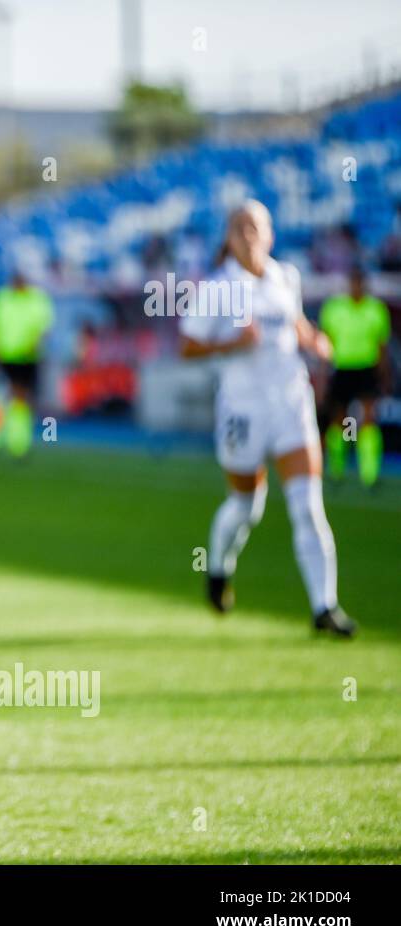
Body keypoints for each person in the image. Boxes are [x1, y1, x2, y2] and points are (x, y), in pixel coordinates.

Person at [179, 200, 356, 636]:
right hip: (243, 411)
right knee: (245, 507)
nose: (249, 234)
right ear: (228, 237)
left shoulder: (285, 277)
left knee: (308, 508)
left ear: (270, 234)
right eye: (240, 227)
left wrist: (315, 341)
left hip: (291, 405)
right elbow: (188, 346)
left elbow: (294, 323)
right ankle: (218, 567)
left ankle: (324, 607)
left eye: (256, 226)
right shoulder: (218, 288)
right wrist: (231, 345)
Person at [319, 265, 391, 488]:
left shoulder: (376, 310)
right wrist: (323, 373)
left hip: (366, 370)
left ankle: (369, 474)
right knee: (341, 421)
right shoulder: (334, 309)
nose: (356, 287)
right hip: (342, 369)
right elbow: (325, 343)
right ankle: (337, 470)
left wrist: (384, 374)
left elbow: (381, 346)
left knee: (368, 419)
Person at [0, 270, 54, 457]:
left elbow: (43, 329)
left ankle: (16, 440)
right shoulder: (2, 298)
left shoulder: (37, 299)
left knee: (21, 398)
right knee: (1, 396)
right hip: (5, 355)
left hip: (27, 357)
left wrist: (35, 346)